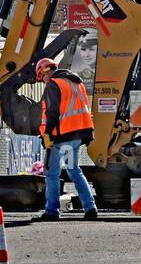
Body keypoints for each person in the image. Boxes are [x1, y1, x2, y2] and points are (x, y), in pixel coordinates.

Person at [32, 57, 97, 222]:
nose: (43, 81)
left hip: (62, 137)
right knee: (74, 170)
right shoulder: (76, 83)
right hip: (78, 135)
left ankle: (52, 211)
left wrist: (47, 134)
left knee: (52, 174)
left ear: (46, 71)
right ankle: (90, 207)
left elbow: (52, 112)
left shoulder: (54, 84)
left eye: (42, 76)